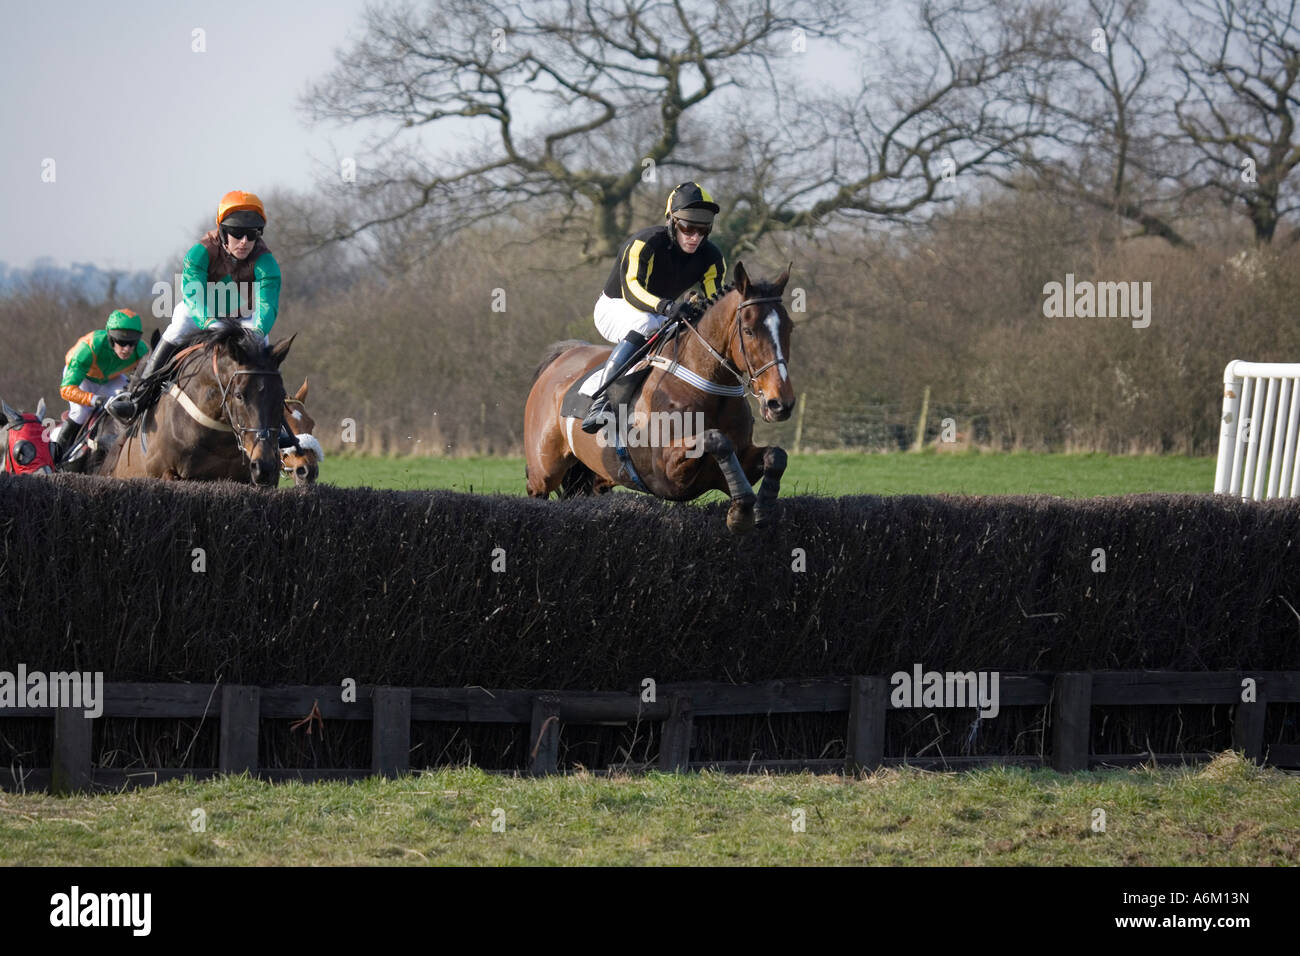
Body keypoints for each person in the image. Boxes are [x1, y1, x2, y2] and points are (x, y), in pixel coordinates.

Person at [581, 182, 727, 433]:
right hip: (617, 307)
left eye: (703, 230)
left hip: (661, 314)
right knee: (645, 324)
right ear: (671, 221)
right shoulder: (645, 243)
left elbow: (718, 304)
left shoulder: (712, 257)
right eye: (688, 227)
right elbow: (632, 290)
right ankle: (602, 401)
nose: (695, 237)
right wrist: (669, 307)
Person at [138, 190, 282, 379]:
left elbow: (267, 305)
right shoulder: (200, 252)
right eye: (237, 233)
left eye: (252, 234)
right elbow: (193, 294)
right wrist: (209, 322)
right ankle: (141, 389)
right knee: (179, 323)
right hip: (200, 313)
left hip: (241, 316)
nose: (245, 241)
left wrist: (258, 330)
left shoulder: (266, 262)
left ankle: (276, 402)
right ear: (223, 232)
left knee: (261, 340)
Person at [49, 309, 148, 461]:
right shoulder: (88, 348)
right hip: (84, 379)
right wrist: (94, 400)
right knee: (80, 412)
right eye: (121, 341)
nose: (127, 348)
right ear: (110, 338)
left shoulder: (141, 351)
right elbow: (66, 390)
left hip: (111, 379)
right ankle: (57, 456)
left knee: (129, 401)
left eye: (132, 342)